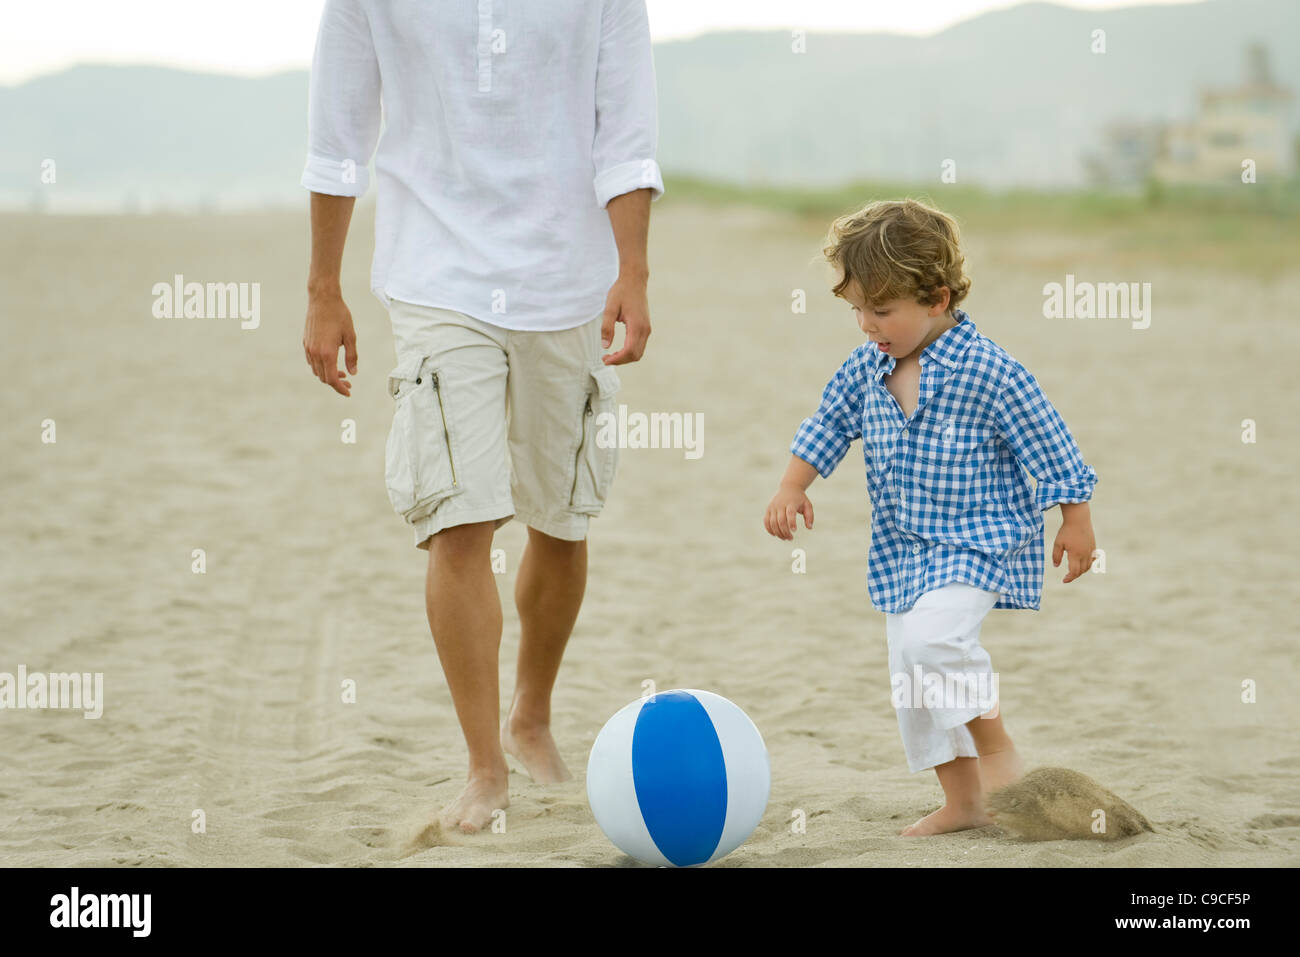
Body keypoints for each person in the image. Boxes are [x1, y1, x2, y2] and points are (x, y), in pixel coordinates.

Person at [299, 0, 663, 833]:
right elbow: (337, 132)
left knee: (561, 520)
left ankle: (530, 716)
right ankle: (484, 765)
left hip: (567, 277)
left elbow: (627, 132)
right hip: (435, 274)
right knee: (459, 519)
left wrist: (633, 271)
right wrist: (324, 289)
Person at [763, 198, 1098, 836]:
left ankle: (999, 753)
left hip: (978, 541)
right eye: (857, 308)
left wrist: (1075, 518)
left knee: (933, 644)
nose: (866, 324)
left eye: (881, 310)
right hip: (903, 550)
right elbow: (829, 423)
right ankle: (964, 801)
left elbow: (1050, 442)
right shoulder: (868, 367)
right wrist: (792, 485)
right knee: (911, 678)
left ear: (938, 299)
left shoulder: (991, 370)